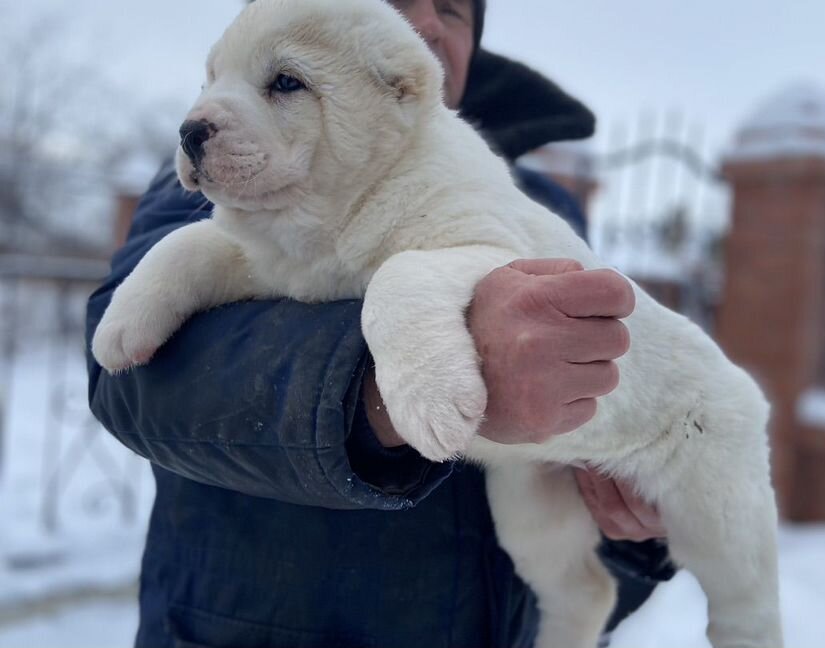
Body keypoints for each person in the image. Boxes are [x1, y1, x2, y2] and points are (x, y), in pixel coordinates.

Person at [86, 1, 673, 646]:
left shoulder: (544, 205)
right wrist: (383, 388)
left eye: (451, 8)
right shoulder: (232, 161)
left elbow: (603, 409)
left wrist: (636, 526)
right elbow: (127, 383)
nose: (422, 25)